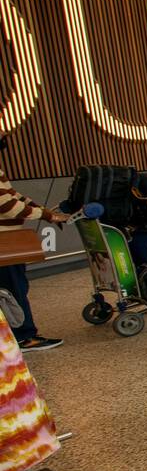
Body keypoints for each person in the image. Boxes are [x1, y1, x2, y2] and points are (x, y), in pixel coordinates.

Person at [0, 133, 69, 351]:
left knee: (11, 287)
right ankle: (23, 337)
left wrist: (45, 212)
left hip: (7, 239)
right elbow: (8, 207)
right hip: (4, 242)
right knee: (13, 290)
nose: (3, 133)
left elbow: (15, 196)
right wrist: (47, 215)